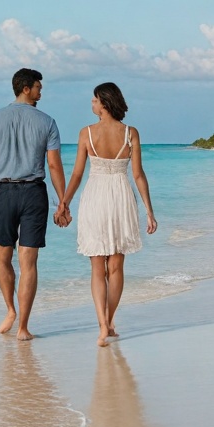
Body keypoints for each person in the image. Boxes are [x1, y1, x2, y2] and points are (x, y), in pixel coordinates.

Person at [61, 81, 157, 347]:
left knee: (96, 268)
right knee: (115, 267)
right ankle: (110, 320)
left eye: (94, 100)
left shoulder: (86, 133)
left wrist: (65, 202)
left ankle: (102, 326)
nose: (91, 104)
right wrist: (149, 211)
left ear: (103, 102)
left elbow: (78, 174)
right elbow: (138, 174)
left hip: (95, 196)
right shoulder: (130, 133)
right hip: (120, 196)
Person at [0, 68, 68, 341]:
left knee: (4, 257)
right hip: (33, 193)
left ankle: (10, 310)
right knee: (28, 261)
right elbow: (53, 164)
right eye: (38, 87)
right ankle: (23, 328)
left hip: (2, 192)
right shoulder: (48, 122)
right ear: (25, 88)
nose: (41, 92)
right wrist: (62, 201)